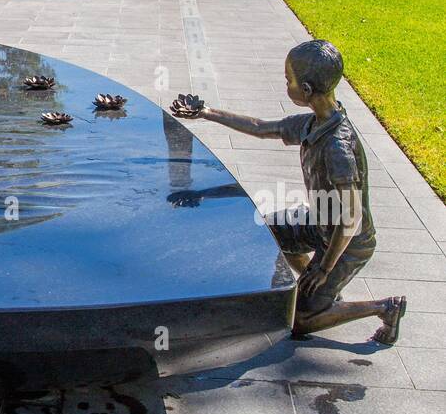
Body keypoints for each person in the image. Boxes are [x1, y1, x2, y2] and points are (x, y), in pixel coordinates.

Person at [170, 39, 407, 346]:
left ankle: (384, 308)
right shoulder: (315, 123)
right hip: (321, 222)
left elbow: (351, 218)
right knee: (267, 233)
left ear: (306, 90)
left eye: (288, 80)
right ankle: (319, 289)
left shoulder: (337, 147)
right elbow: (261, 127)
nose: (286, 84)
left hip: (349, 242)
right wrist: (206, 112)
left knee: (300, 322)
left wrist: (324, 267)